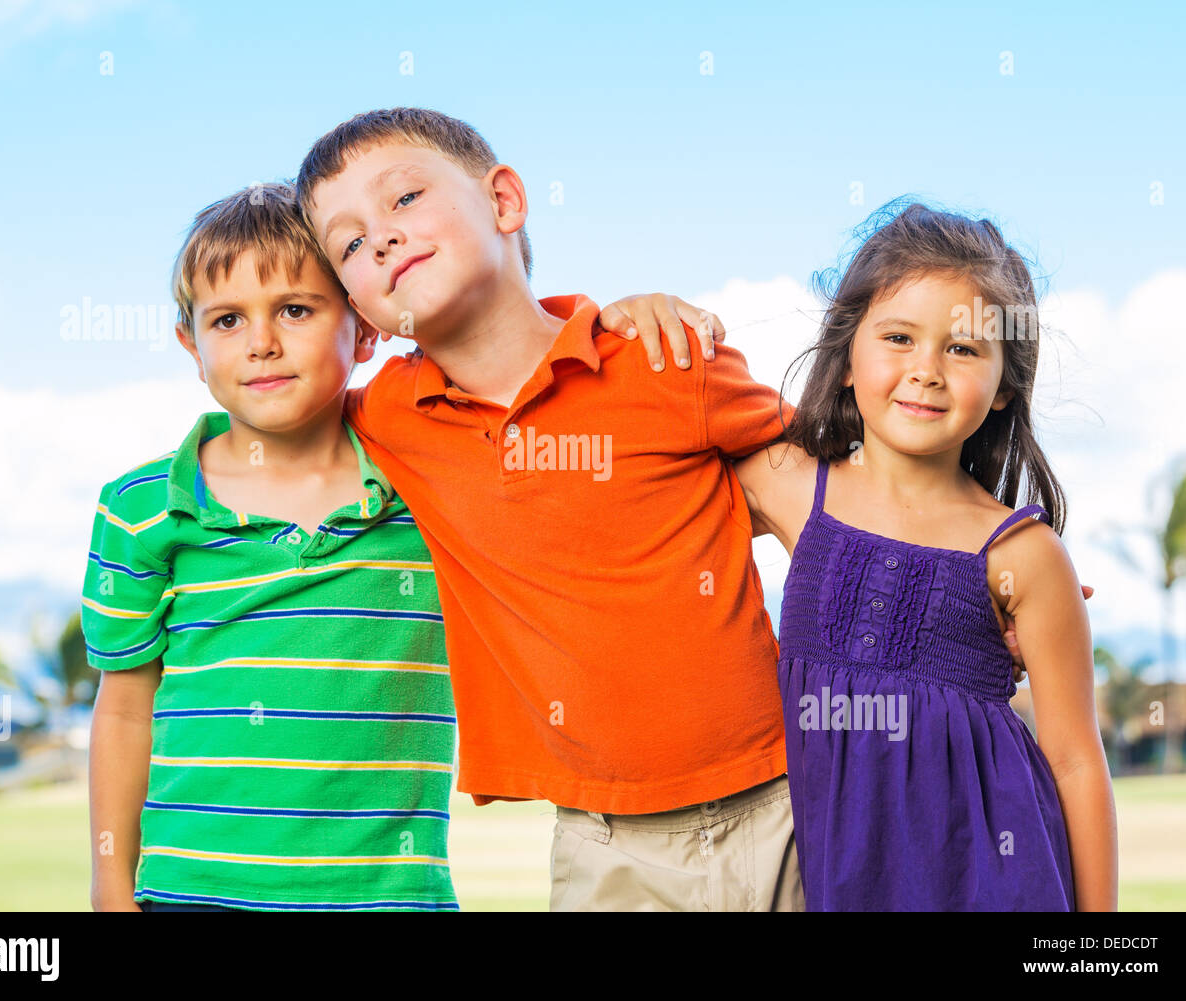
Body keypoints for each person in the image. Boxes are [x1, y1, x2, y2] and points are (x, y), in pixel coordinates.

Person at [84, 180, 725, 912]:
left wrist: (620, 326)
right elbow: (126, 708)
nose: (262, 342)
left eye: (295, 310)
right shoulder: (138, 509)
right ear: (191, 346)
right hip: (189, 895)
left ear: (364, 328)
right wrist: (110, 881)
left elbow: (534, 393)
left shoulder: (427, 468)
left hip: (393, 896)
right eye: (227, 319)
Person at [296, 107, 803, 911]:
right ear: (359, 309)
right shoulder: (384, 420)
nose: (382, 239)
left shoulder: (659, 356)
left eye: (404, 199)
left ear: (504, 202)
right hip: (601, 843)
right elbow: (274, 407)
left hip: (792, 800)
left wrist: (999, 576)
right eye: (349, 244)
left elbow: (850, 504)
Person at [735, 201, 1118, 910]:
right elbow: (652, 490)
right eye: (899, 337)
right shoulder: (789, 484)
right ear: (847, 357)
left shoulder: (1024, 551)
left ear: (1005, 385)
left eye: (964, 348)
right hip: (828, 870)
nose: (928, 370)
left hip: (992, 879)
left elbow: (1075, 759)